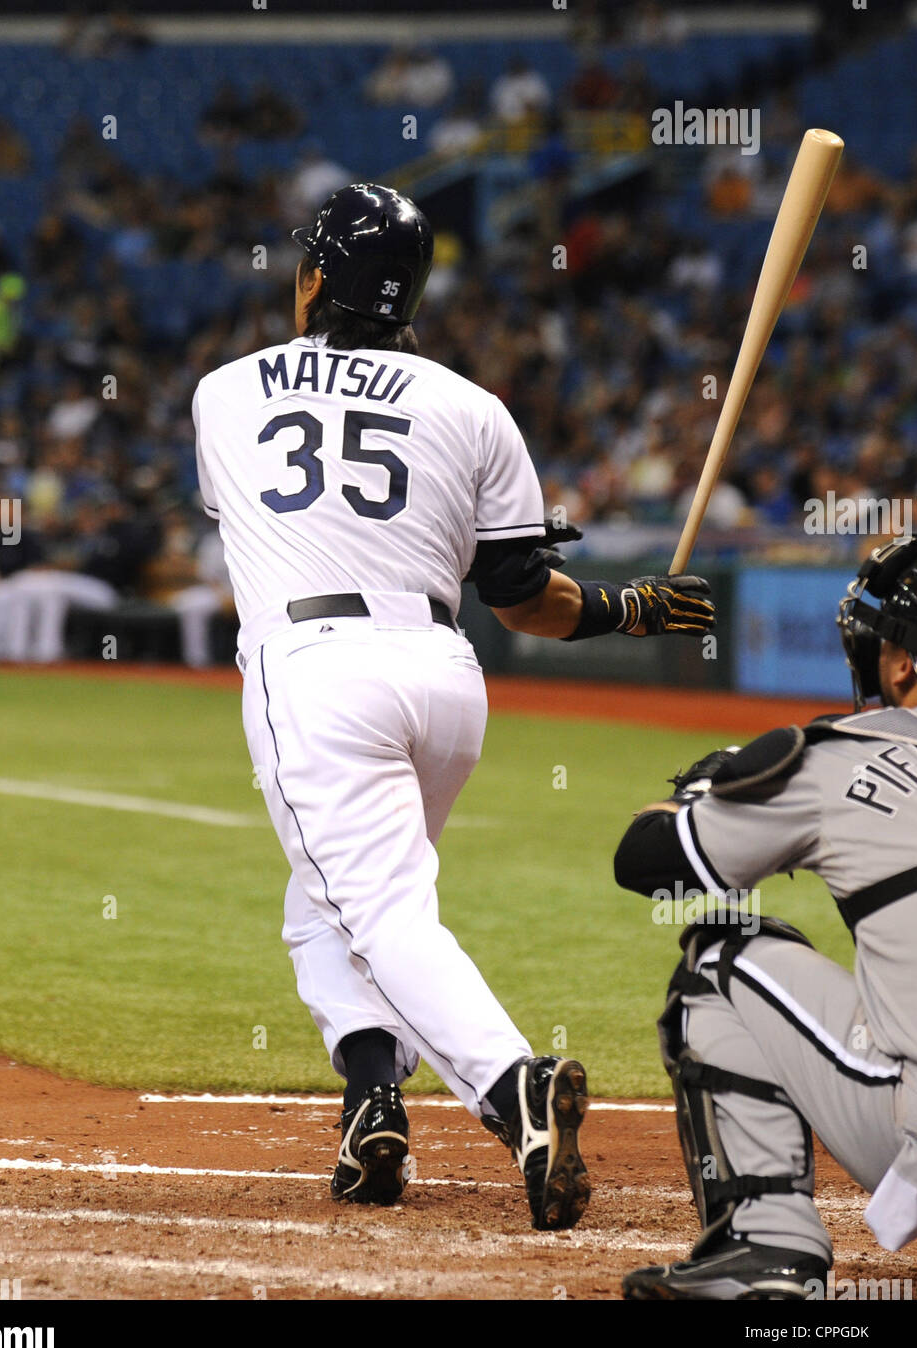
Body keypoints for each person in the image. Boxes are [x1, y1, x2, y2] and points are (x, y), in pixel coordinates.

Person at [191, 183, 714, 1226]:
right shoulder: (474, 407)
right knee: (330, 899)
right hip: (443, 678)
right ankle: (370, 1101)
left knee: (377, 908)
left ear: (312, 279)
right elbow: (526, 601)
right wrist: (633, 608)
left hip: (315, 668)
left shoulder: (221, 391)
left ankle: (511, 1088)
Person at [614, 535, 917, 1298]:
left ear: (902, 664)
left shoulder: (846, 759)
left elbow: (648, 861)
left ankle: (768, 1253)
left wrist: (699, 792)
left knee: (720, 954)